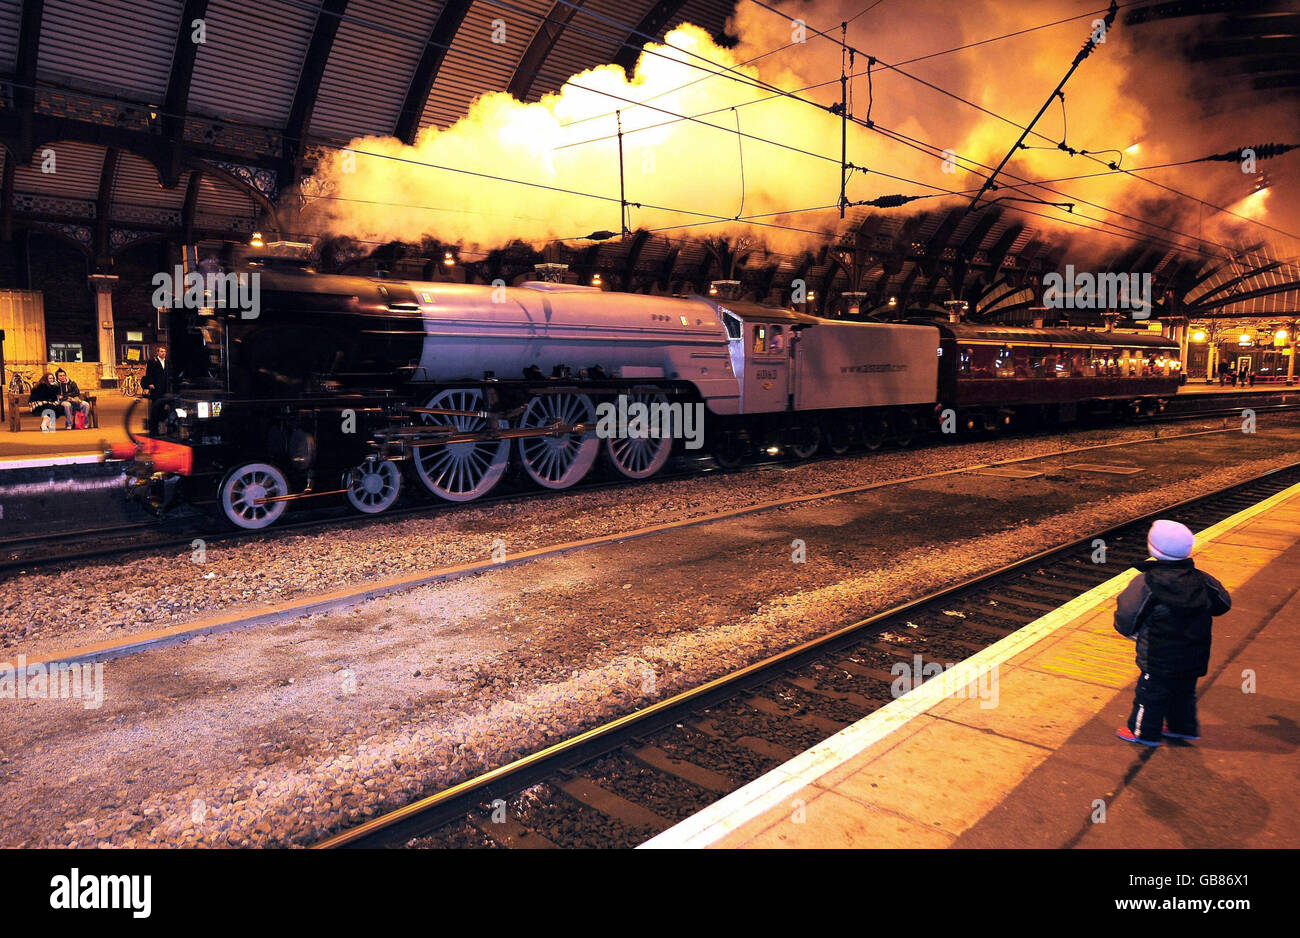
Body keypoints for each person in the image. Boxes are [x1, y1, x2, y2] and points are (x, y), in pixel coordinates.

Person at [1113, 520, 1232, 746]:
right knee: (1184, 694)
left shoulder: (1146, 582)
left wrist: (1127, 631)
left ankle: (1142, 732)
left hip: (1158, 656)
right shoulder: (1203, 579)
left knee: (1150, 695)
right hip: (1195, 653)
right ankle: (1182, 728)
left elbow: (1128, 614)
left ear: (1153, 549)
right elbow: (1223, 605)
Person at [142, 345, 173, 433]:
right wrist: (150, 383)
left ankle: (163, 427)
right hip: (156, 388)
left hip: (165, 388)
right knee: (155, 408)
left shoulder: (167, 362)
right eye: (162, 351)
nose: (163, 353)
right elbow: (149, 373)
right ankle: (154, 429)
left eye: (165, 351)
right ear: (158, 353)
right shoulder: (152, 362)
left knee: (164, 408)